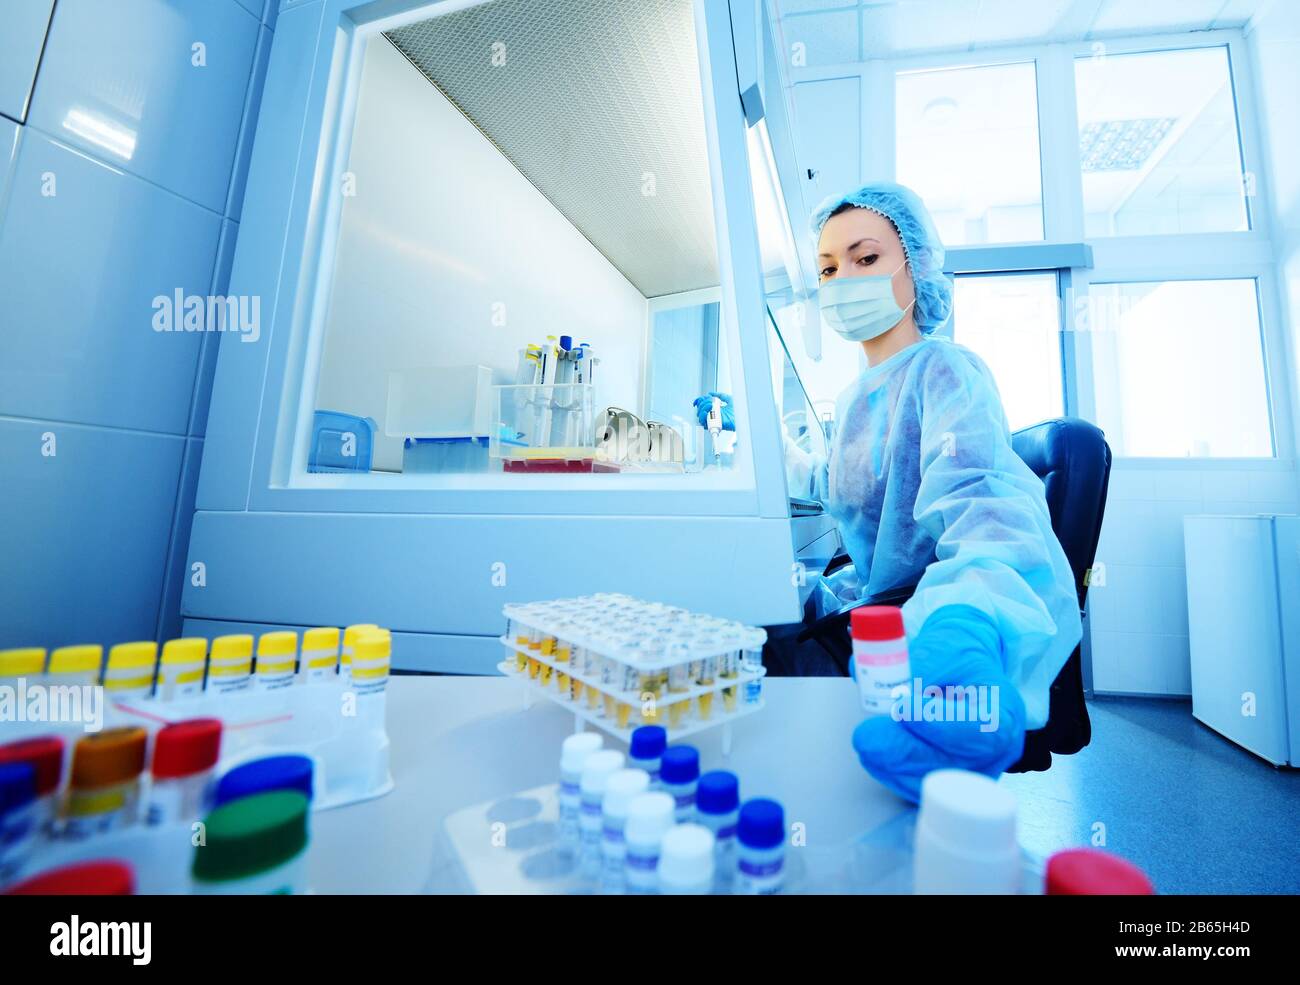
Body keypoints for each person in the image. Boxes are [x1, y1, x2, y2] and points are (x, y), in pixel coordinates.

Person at [696, 182, 1081, 801]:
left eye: (865, 258)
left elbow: (985, 506)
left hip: (927, 618)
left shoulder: (944, 369)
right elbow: (829, 482)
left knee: (752, 682)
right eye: (827, 268)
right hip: (885, 603)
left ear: (916, 268)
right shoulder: (858, 398)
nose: (842, 279)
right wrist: (749, 431)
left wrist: (966, 624)